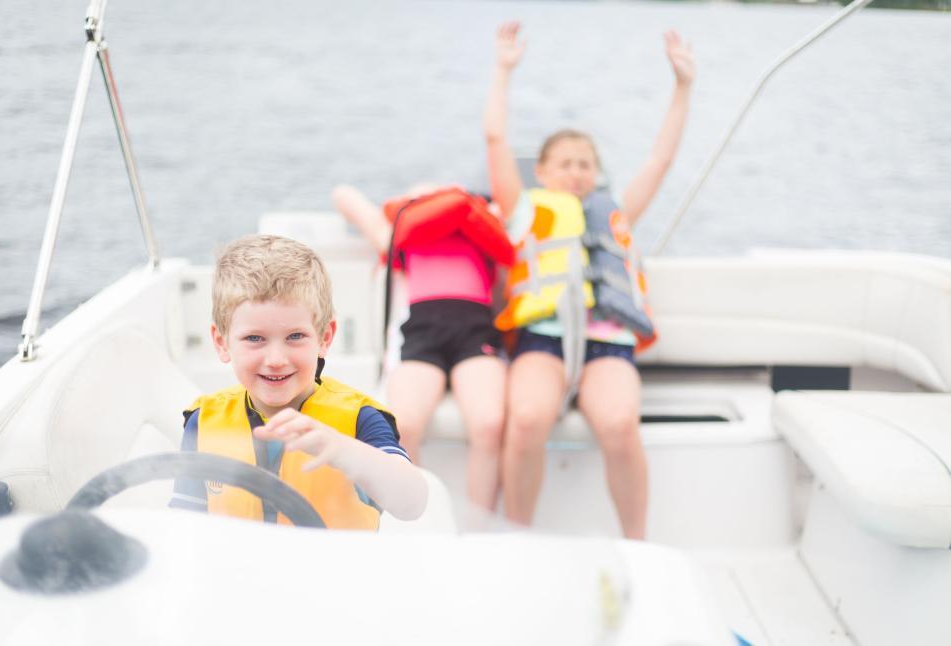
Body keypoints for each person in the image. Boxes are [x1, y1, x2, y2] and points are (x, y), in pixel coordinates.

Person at [484, 21, 696, 538]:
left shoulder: (614, 212)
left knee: (620, 425)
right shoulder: (522, 208)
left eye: (586, 165)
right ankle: (517, 536)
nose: (577, 173)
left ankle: (638, 544)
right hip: (542, 339)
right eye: (565, 164)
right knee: (528, 419)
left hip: (606, 341)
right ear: (543, 172)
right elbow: (495, 136)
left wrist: (682, 86)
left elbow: (661, 158)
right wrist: (503, 70)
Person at [170, 234, 427, 528]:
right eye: (255, 338)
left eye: (295, 336)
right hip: (239, 574)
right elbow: (184, 525)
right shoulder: (201, 423)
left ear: (325, 337)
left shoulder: (360, 419)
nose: (276, 358)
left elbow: (412, 503)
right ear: (222, 342)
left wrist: (344, 449)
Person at [331, 183, 510, 512]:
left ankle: (479, 530)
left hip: (475, 333)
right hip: (422, 335)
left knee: (488, 424)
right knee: (404, 425)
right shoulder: (401, 231)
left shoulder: (486, 226)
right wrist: (410, 205)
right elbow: (344, 196)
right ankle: (421, 520)